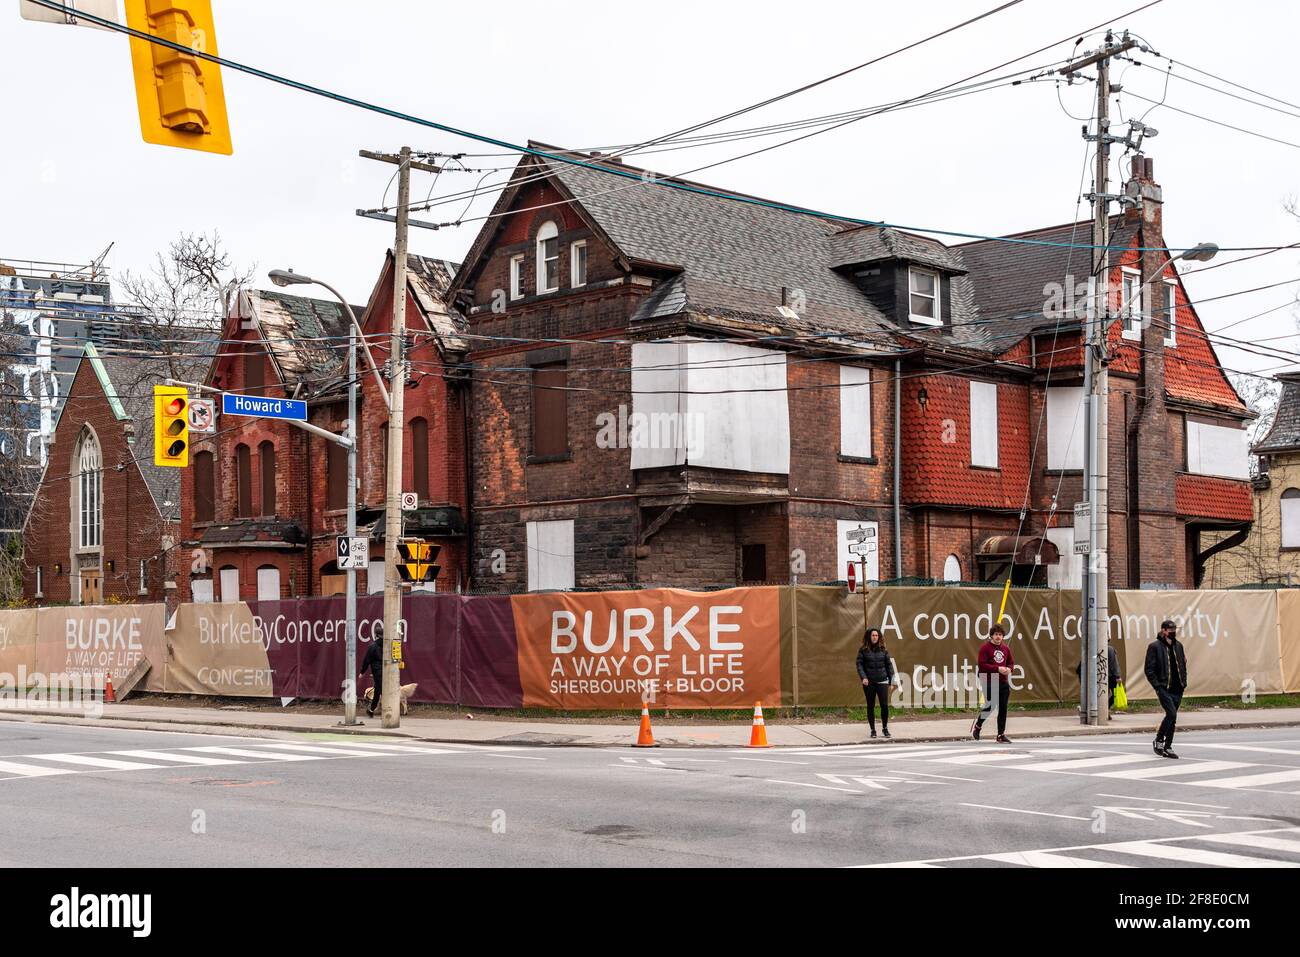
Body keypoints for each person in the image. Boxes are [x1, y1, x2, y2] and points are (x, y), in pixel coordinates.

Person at [1144, 619, 1187, 759]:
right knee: (1172, 714)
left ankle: (1168, 746)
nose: (1173, 632)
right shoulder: (1154, 647)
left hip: (1177, 688)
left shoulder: (1179, 646)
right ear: (1163, 630)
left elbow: (1183, 664)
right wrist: (1157, 686)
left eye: (1175, 629)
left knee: (1173, 718)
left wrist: (1184, 683)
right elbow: (1149, 669)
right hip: (1164, 688)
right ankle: (1159, 740)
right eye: (1170, 630)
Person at [971, 623, 1014, 743]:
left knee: (1003, 708)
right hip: (989, 679)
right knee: (990, 705)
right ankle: (978, 726)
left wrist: (1009, 669)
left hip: (1003, 681)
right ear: (991, 636)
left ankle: (1000, 735)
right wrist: (998, 669)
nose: (998, 637)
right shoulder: (985, 648)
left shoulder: (1006, 649)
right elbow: (982, 665)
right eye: (996, 634)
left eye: (1000, 635)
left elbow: (1011, 662)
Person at [855, 627, 896, 739]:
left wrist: (891, 681)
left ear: (879, 637)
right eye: (873, 635)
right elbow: (859, 665)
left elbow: (889, 666)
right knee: (870, 706)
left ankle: (885, 728)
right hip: (869, 682)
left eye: (877, 635)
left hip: (882, 681)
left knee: (884, 706)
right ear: (869, 636)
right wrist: (863, 677)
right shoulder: (863, 650)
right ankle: (873, 730)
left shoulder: (883, 649)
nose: (875, 637)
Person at [361, 638, 383, 718]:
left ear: (376, 635)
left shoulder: (372, 646)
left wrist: (362, 671)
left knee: (381, 691)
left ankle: (387, 712)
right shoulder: (387, 644)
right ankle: (371, 710)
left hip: (377, 672)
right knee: (377, 691)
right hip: (387, 671)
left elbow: (367, 660)